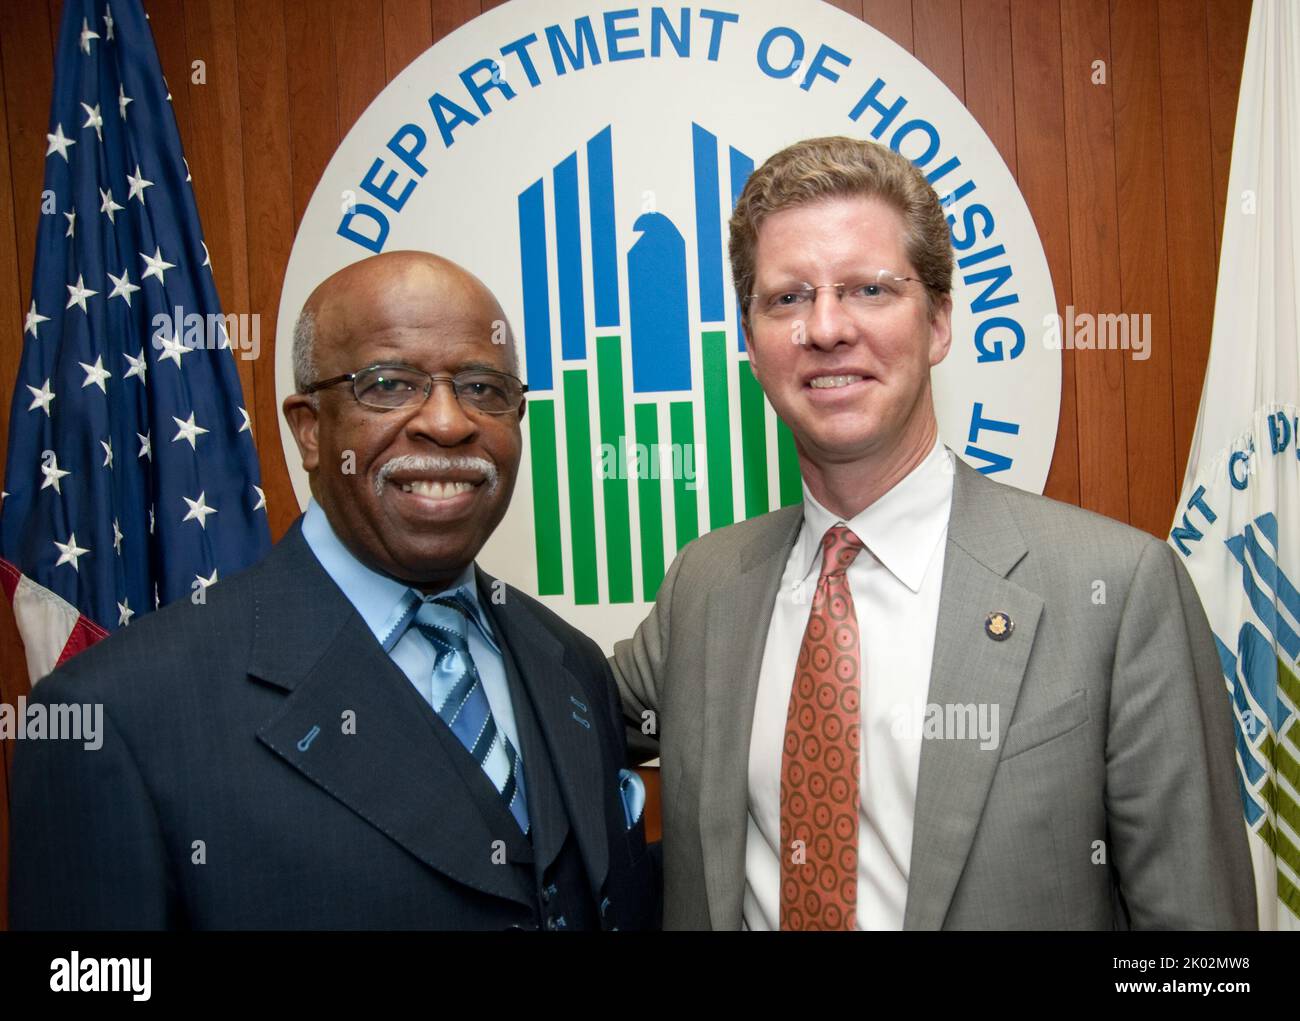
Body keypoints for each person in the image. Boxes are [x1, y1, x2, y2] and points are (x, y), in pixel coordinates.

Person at [612, 136, 1256, 930]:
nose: (825, 327)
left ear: (940, 322)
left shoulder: (1118, 592)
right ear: (750, 342)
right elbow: (551, 708)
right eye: (786, 298)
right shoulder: (706, 586)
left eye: (869, 289)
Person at [10, 250, 655, 930]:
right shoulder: (116, 717)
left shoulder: (569, 663)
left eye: (483, 388)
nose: (446, 422)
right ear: (310, 429)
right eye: (390, 384)